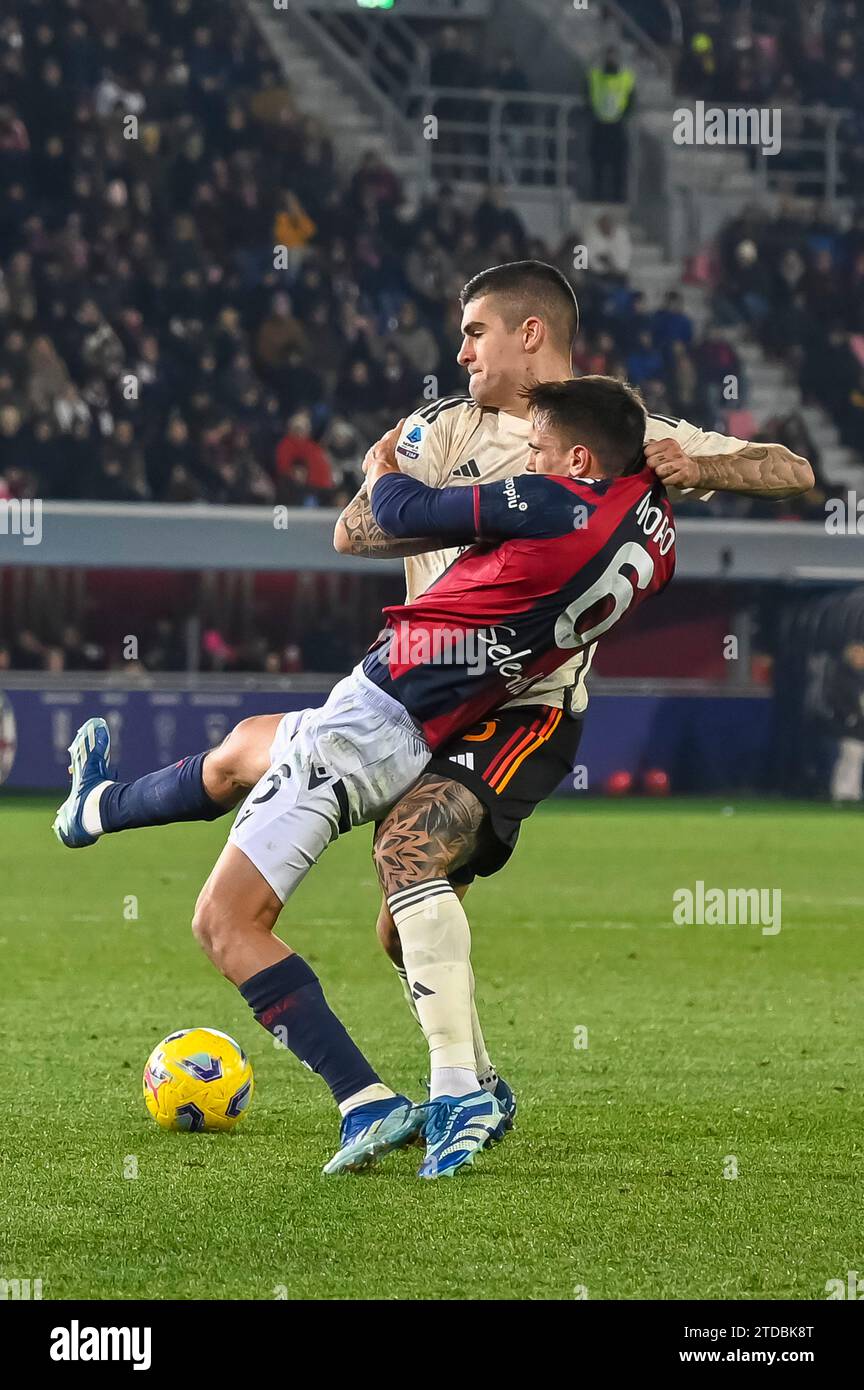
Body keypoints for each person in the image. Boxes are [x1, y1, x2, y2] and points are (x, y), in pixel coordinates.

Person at [55, 375, 676, 1178]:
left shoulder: (555, 502)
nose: (528, 454)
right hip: (420, 725)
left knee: (226, 923)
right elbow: (647, 486)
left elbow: (397, 516)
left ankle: (366, 1100)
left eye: (542, 448)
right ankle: (95, 809)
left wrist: (381, 464)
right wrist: (666, 467)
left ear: (581, 459)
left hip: (371, 726)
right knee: (245, 747)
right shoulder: (652, 529)